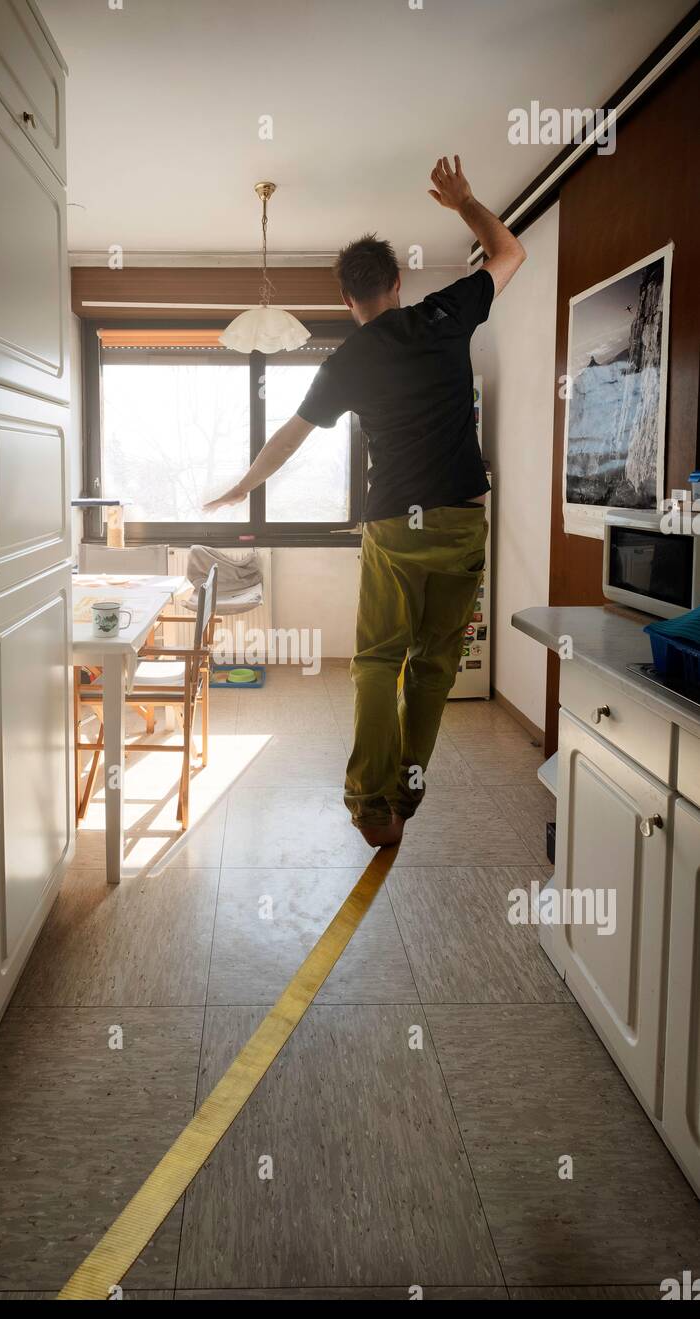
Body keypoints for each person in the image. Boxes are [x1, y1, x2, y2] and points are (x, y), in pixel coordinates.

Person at [206, 156, 526, 847]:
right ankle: (407, 793)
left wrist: (242, 487)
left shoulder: (345, 361)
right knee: (436, 667)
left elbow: (287, 441)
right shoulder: (446, 313)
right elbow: (510, 251)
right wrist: (465, 201)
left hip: (395, 525)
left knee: (380, 662)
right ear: (399, 283)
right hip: (466, 518)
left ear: (347, 300)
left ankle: (370, 806)